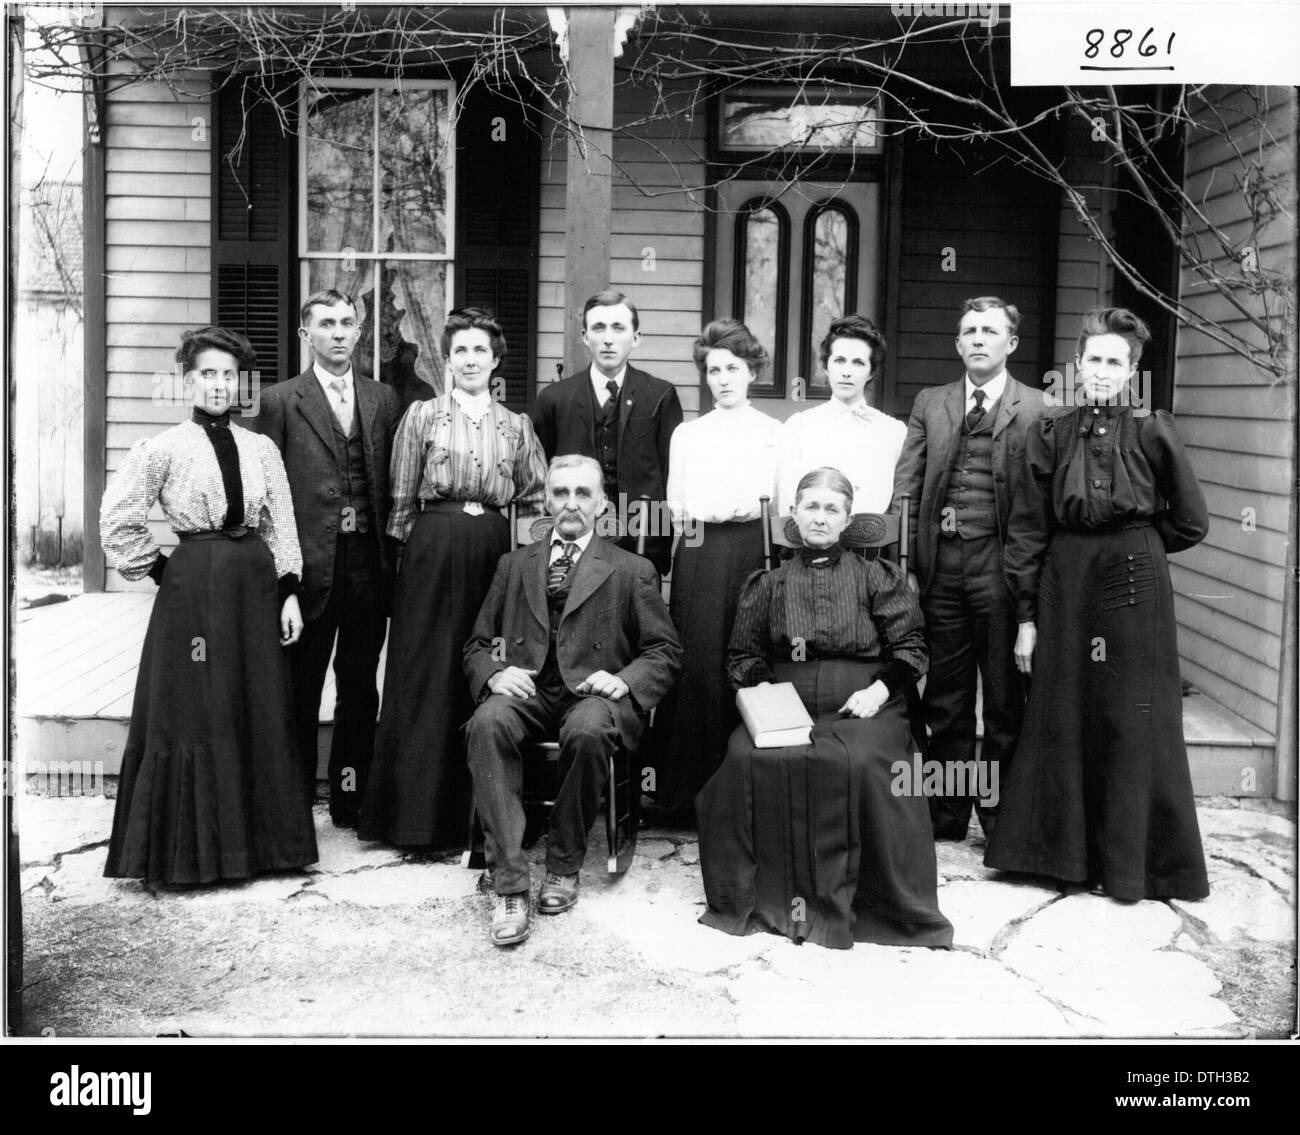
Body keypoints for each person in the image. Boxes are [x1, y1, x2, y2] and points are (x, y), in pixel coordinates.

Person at [986, 307, 1210, 901]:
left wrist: (1138, 545)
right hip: (1066, 579)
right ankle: (1063, 858)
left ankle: (1137, 866)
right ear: (1078, 365)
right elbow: (1029, 530)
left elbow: (1191, 520)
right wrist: (1027, 618)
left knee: (1132, 713)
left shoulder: (1154, 430)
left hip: (1135, 580)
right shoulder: (1051, 432)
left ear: (1132, 370)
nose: (1104, 371)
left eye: (1117, 362)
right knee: (1065, 707)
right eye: (1095, 360)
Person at [697, 467, 952, 949]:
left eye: (831, 509)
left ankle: (870, 903)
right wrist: (768, 699)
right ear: (793, 514)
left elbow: (912, 647)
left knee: (859, 760)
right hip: (786, 699)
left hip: (864, 699)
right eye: (810, 507)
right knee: (747, 758)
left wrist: (880, 690)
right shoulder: (768, 584)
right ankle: (760, 898)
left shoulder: (877, 576)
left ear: (847, 519)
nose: (819, 517)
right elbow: (743, 656)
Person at [100, 326, 317, 884]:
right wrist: (162, 570)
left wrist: (289, 592)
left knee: (255, 701)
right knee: (197, 705)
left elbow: (281, 526)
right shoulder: (163, 448)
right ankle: (192, 854)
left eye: (229, 375)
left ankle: (263, 849)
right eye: (207, 375)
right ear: (187, 381)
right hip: (192, 586)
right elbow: (118, 520)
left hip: (254, 584)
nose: (219, 385)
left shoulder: (261, 448)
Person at [463, 455, 682, 946]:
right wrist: (496, 674)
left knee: (585, 730)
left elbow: (665, 651)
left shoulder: (632, 569)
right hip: (532, 691)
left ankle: (563, 865)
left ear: (602, 503)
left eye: (583, 494)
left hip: (594, 695)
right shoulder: (514, 564)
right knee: (487, 723)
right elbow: (476, 644)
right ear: (546, 500)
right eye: (561, 493)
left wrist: (625, 681)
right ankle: (511, 885)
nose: (571, 504)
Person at [359, 307, 548, 849]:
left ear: (495, 362)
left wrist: (526, 568)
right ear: (448, 358)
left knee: (484, 664)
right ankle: (415, 819)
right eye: (460, 350)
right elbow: (399, 498)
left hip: (492, 550)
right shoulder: (421, 416)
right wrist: (398, 569)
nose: (470, 360)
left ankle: (481, 818)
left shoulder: (517, 426)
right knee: (425, 671)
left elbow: (536, 505)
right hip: (430, 547)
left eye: (480, 351)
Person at [891, 296, 1051, 840]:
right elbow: (905, 491)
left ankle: (1003, 817)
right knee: (947, 697)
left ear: (1011, 343)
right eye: (969, 331)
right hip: (942, 566)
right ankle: (946, 815)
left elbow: (1046, 505)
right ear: (958, 344)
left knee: (1005, 697)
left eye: (990, 330)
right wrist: (906, 568)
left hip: (1002, 570)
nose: (978, 339)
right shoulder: (931, 403)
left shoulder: (1040, 408)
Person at [253, 289, 402, 827]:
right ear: (305, 334)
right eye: (326, 324)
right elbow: (266, 497)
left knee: (360, 685)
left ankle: (349, 799)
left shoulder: (384, 399)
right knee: (300, 686)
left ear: (358, 332)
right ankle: (290, 806)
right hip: (310, 564)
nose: (338, 333)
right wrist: (284, 583)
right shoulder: (279, 401)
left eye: (346, 323)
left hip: (368, 562)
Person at [652, 319, 779, 817]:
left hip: (753, 547)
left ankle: (746, 794)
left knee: (746, 656)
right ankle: (687, 794)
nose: (724, 378)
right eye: (714, 369)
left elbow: (779, 500)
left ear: (752, 372)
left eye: (733, 368)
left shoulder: (774, 433)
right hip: (701, 550)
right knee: (700, 661)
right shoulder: (688, 434)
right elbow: (678, 502)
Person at [529, 290, 683, 576]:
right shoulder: (554, 399)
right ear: (585, 337)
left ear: (636, 337)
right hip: (574, 539)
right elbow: (542, 475)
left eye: (618, 327)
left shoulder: (660, 396)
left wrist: (658, 542)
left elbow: (669, 477)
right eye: (599, 328)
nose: (608, 338)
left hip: (640, 542)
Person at [776, 314, 905, 517]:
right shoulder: (799, 426)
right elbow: (786, 503)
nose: (847, 372)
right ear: (826, 367)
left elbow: (901, 502)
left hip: (873, 543)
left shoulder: (894, 432)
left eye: (858, 363)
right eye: (839, 360)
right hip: (808, 542)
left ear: (871, 372)